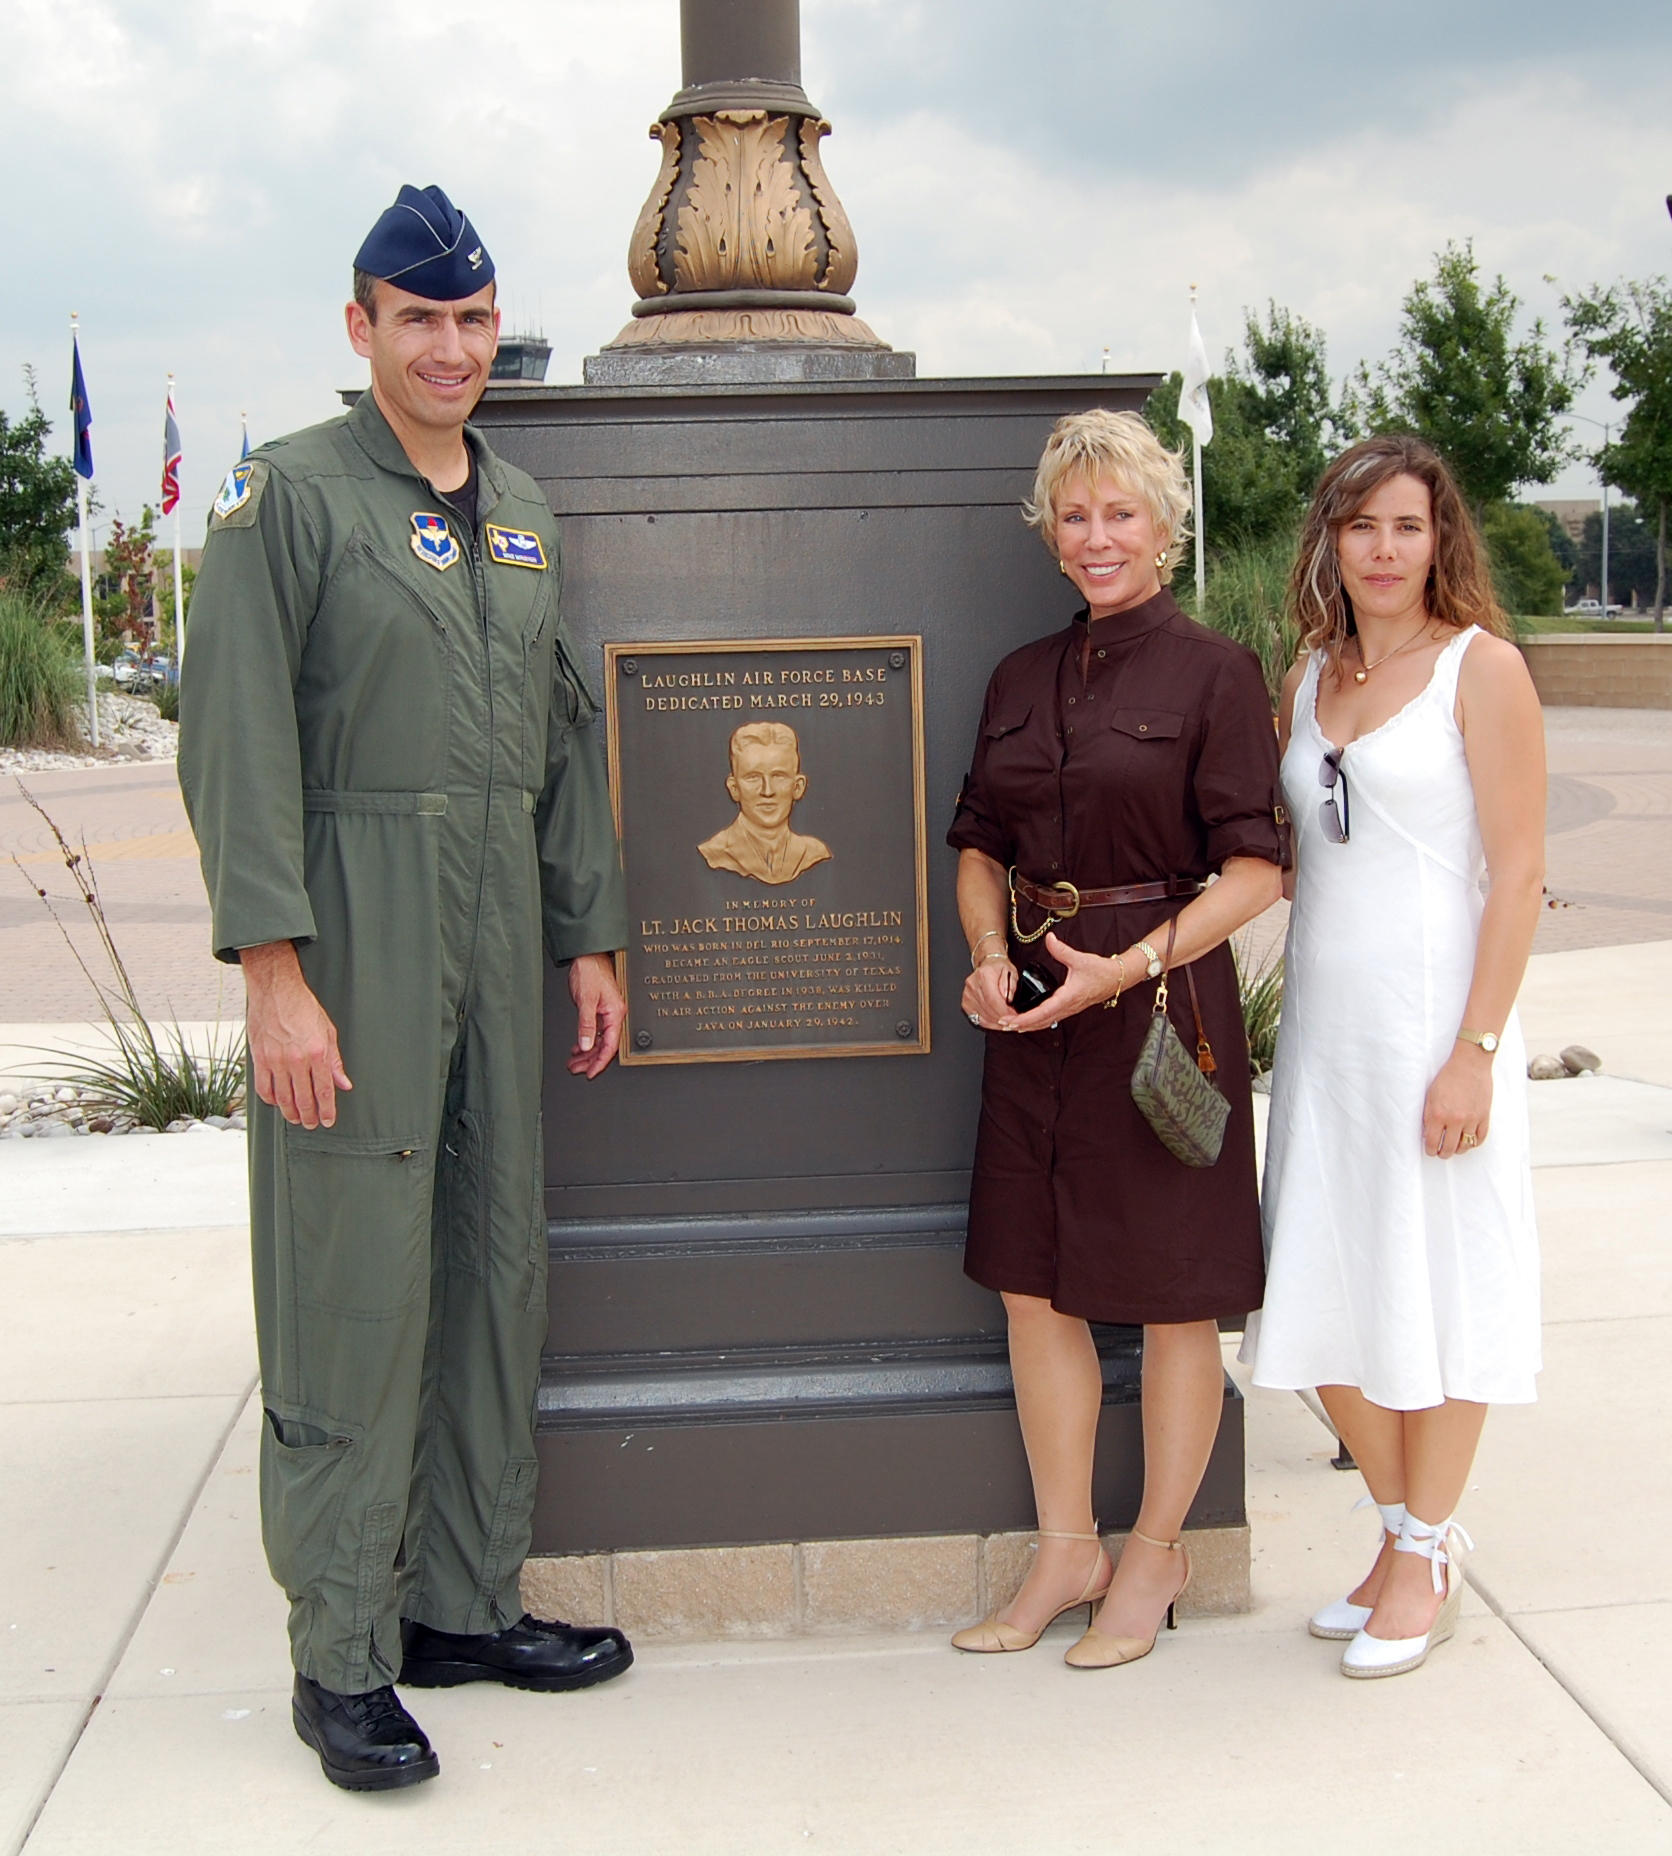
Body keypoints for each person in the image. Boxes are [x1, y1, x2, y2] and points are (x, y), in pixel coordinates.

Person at [179, 184, 634, 1793]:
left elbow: (561, 738)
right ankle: (342, 1654)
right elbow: (233, 742)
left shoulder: (520, 506)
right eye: (418, 319)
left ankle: (458, 1602)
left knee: (491, 1262)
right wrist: (276, 977)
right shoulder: (288, 500)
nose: (449, 347)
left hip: (500, 929)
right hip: (353, 930)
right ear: (359, 325)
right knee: (351, 1286)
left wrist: (587, 935)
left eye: (472, 319)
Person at [946, 409, 1285, 1670]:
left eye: (1120, 513)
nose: (1096, 537)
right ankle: (1066, 1547)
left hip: (1156, 1010)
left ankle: (1153, 1552)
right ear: (1050, 529)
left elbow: (1257, 868)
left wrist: (1131, 965)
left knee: (1168, 1302)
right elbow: (979, 840)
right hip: (1031, 1010)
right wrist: (990, 958)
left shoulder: (1215, 673)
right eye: (1074, 515)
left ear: (1162, 523)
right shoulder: (1018, 678)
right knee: (1033, 1288)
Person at [1244, 435, 1545, 1679]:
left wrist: (1473, 1051)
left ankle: (1424, 1551)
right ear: (1332, 538)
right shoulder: (1308, 673)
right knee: (1327, 1284)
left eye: (1406, 527)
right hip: (1328, 1035)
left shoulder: (1484, 669)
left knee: (1441, 1286)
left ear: (1440, 540)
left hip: (1436, 1029)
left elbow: (1520, 871)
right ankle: (1400, 1531)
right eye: (1360, 525)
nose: (1382, 549)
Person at [697, 721, 832, 883]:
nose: (767, 791)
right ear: (734, 788)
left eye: (778, 776)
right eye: (753, 777)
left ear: (798, 787)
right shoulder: (715, 853)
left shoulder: (814, 853)